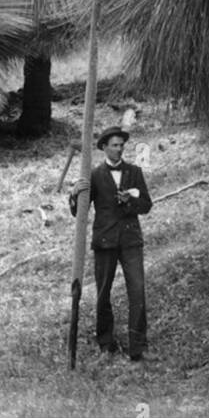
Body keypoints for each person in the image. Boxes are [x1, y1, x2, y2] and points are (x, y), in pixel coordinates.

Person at [69, 126, 152, 360]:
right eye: (114, 145)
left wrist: (129, 202)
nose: (119, 149)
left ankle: (138, 346)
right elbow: (79, 212)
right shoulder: (94, 175)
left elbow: (146, 205)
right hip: (105, 241)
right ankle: (106, 343)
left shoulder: (134, 172)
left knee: (137, 290)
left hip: (131, 241)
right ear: (104, 147)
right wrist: (75, 195)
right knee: (103, 293)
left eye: (121, 145)